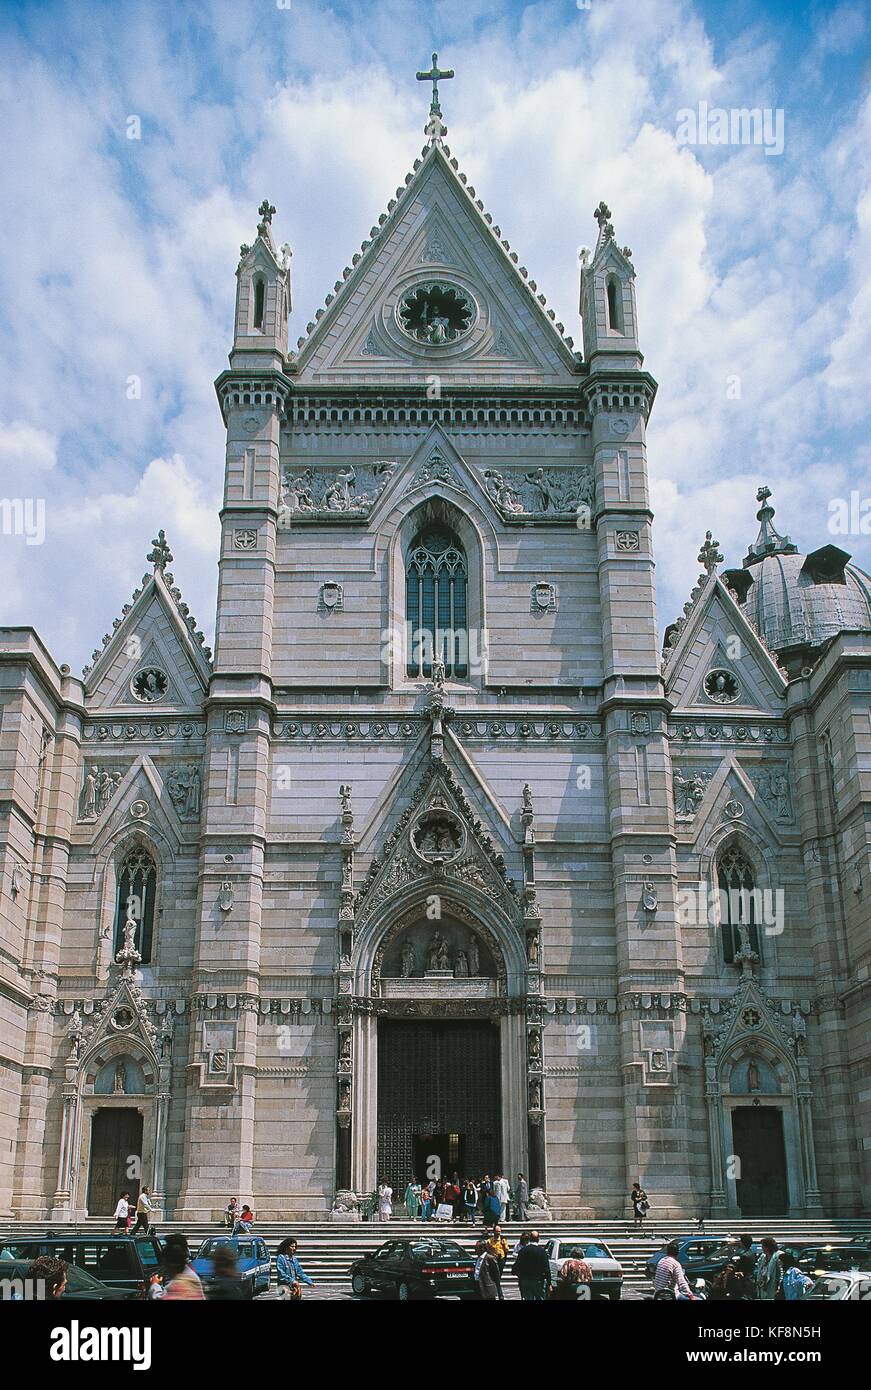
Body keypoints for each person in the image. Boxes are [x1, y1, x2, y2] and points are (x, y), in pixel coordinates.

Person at [160, 1233, 204, 1300]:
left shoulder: (178, 1286)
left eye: (165, 1264)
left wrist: (154, 1285)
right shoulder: (190, 1274)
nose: (165, 1269)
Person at [513, 1230, 551, 1300]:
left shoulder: (523, 1251)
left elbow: (517, 1265)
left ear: (530, 1238)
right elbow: (546, 1268)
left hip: (526, 1280)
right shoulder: (542, 1252)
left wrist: (519, 1275)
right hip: (538, 1281)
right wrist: (549, 1282)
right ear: (538, 1239)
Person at [488, 1226, 510, 1300]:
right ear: (494, 1231)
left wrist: (504, 1244)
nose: (498, 1233)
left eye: (499, 1231)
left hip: (501, 1260)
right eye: (497, 1231)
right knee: (496, 1277)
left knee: (498, 1277)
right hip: (493, 1260)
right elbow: (488, 1250)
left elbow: (507, 1250)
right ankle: (500, 1294)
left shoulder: (503, 1240)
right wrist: (493, 1254)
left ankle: (497, 1291)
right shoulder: (490, 1241)